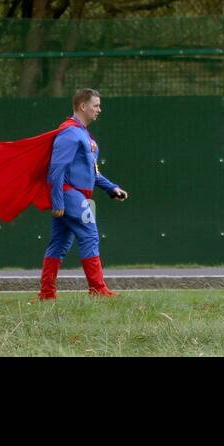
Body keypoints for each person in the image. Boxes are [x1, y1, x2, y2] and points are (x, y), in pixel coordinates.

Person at [37, 87, 129, 300]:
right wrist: (58, 201)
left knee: (59, 242)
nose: (99, 109)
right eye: (96, 105)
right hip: (71, 195)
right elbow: (56, 170)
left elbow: (92, 172)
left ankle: (47, 293)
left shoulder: (83, 134)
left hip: (76, 195)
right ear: (82, 106)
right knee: (90, 234)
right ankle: (98, 289)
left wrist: (112, 188)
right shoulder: (70, 133)